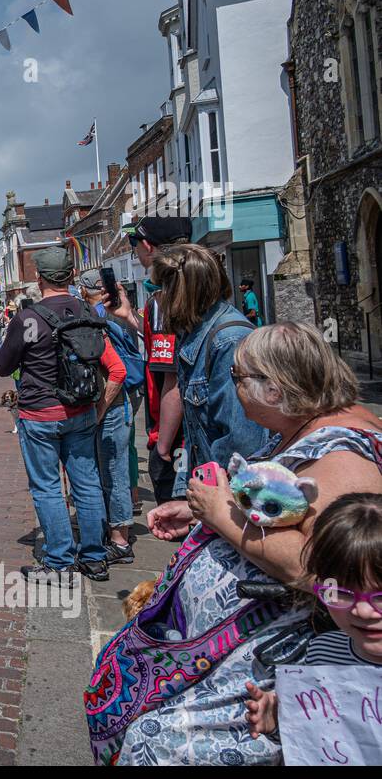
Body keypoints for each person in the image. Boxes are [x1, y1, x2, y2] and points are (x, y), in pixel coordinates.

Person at [119, 323, 382, 765]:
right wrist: (204, 513)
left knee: (158, 746)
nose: (233, 386)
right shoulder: (307, 429)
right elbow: (283, 510)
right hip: (247, 646)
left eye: (239, 377)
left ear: (274, 390)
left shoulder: (345, 460)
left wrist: (221, 515)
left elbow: (320, 566)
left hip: (277, 651)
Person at [0, 249, 122, 582]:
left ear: (39, 278)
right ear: (72, 274)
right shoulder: (87, 311)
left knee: (48, 487)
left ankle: (60, 561)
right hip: (81, 409)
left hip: (40, 413)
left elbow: (2, 366)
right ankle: (94, 558)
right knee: (88, 484)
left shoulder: (29, 318)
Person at [243, 492, 382, 742]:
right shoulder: (322, 652)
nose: (362, 611)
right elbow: (320, 741)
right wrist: (278, 722)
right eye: (340, 592)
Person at [147, 244, 270, 512]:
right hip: (210, 494)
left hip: (231, 502)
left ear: (178, 291)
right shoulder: (193, 332)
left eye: (161, 289)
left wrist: (209, 503)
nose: (158, 298)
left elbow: (242, 442)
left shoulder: (228, 342)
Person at [106, 216, 191, 508]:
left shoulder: (162, 301)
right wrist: (130, 318)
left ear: (146, 246)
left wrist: (162, 444)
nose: (135, 254)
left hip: (177, 432)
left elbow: (172, 377)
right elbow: (168, 347)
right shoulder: (193, 289)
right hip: (193, 424)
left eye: (134, 246)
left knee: (177, 515)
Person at [78, 270, 137, 565]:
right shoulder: (106, 314)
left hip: (114, 408)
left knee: (114, 474)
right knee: (108, 473)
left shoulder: (101, 319)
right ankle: (112, 530)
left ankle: (121, 541)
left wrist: (100, 410)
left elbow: (118, 371)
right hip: (112, 406)